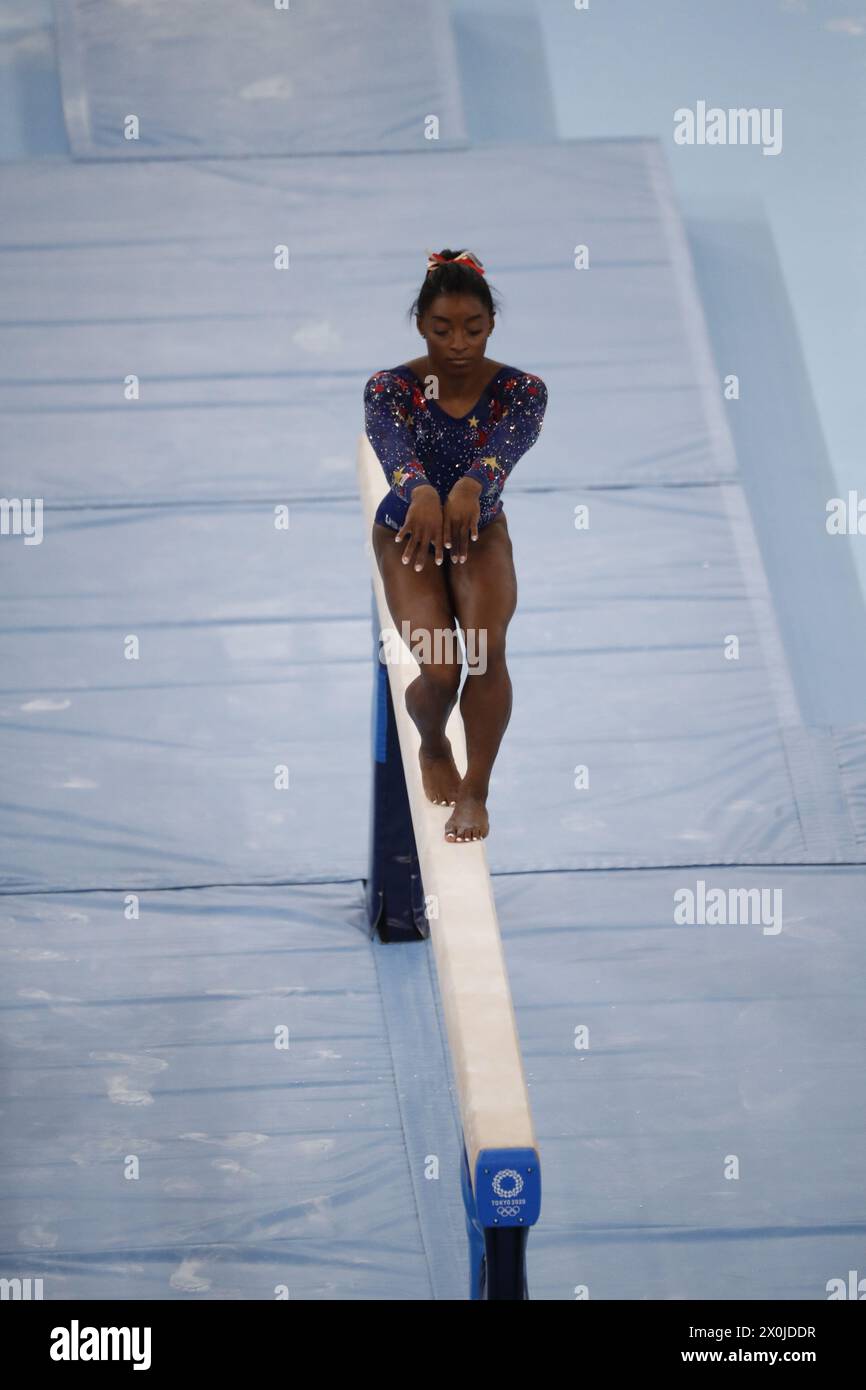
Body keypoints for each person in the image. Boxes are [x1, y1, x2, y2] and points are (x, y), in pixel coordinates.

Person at [364, 248, 547, 843]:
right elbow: (392, 447)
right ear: (420, 323)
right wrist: (417, 488)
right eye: (442, 329)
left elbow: (505, 448)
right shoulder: (388, 387)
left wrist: (472, 483)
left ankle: (476, 791)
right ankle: (434, 740)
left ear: (492, 323)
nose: (459, 342)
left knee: (487, 653)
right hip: (407, 535)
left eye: (473, 327)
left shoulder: (523, 390)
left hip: (478, 534)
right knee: (439, 671)